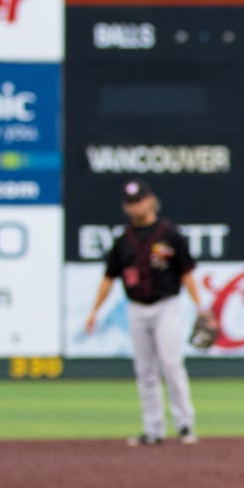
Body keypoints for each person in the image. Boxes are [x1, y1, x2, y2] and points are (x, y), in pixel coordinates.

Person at [84, 179, 205, 446]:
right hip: (137, 307)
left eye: (138, 200)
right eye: (130, 202)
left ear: (150, 200)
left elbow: (186, 273)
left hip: (166, 305)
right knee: (145, 370)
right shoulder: (122, 241)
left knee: (171, 364)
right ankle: (153, 429)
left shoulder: (169, 234)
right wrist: (94, 311)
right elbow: (108, 278)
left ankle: (185, 424)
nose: (134, 206)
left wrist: (200, 306)